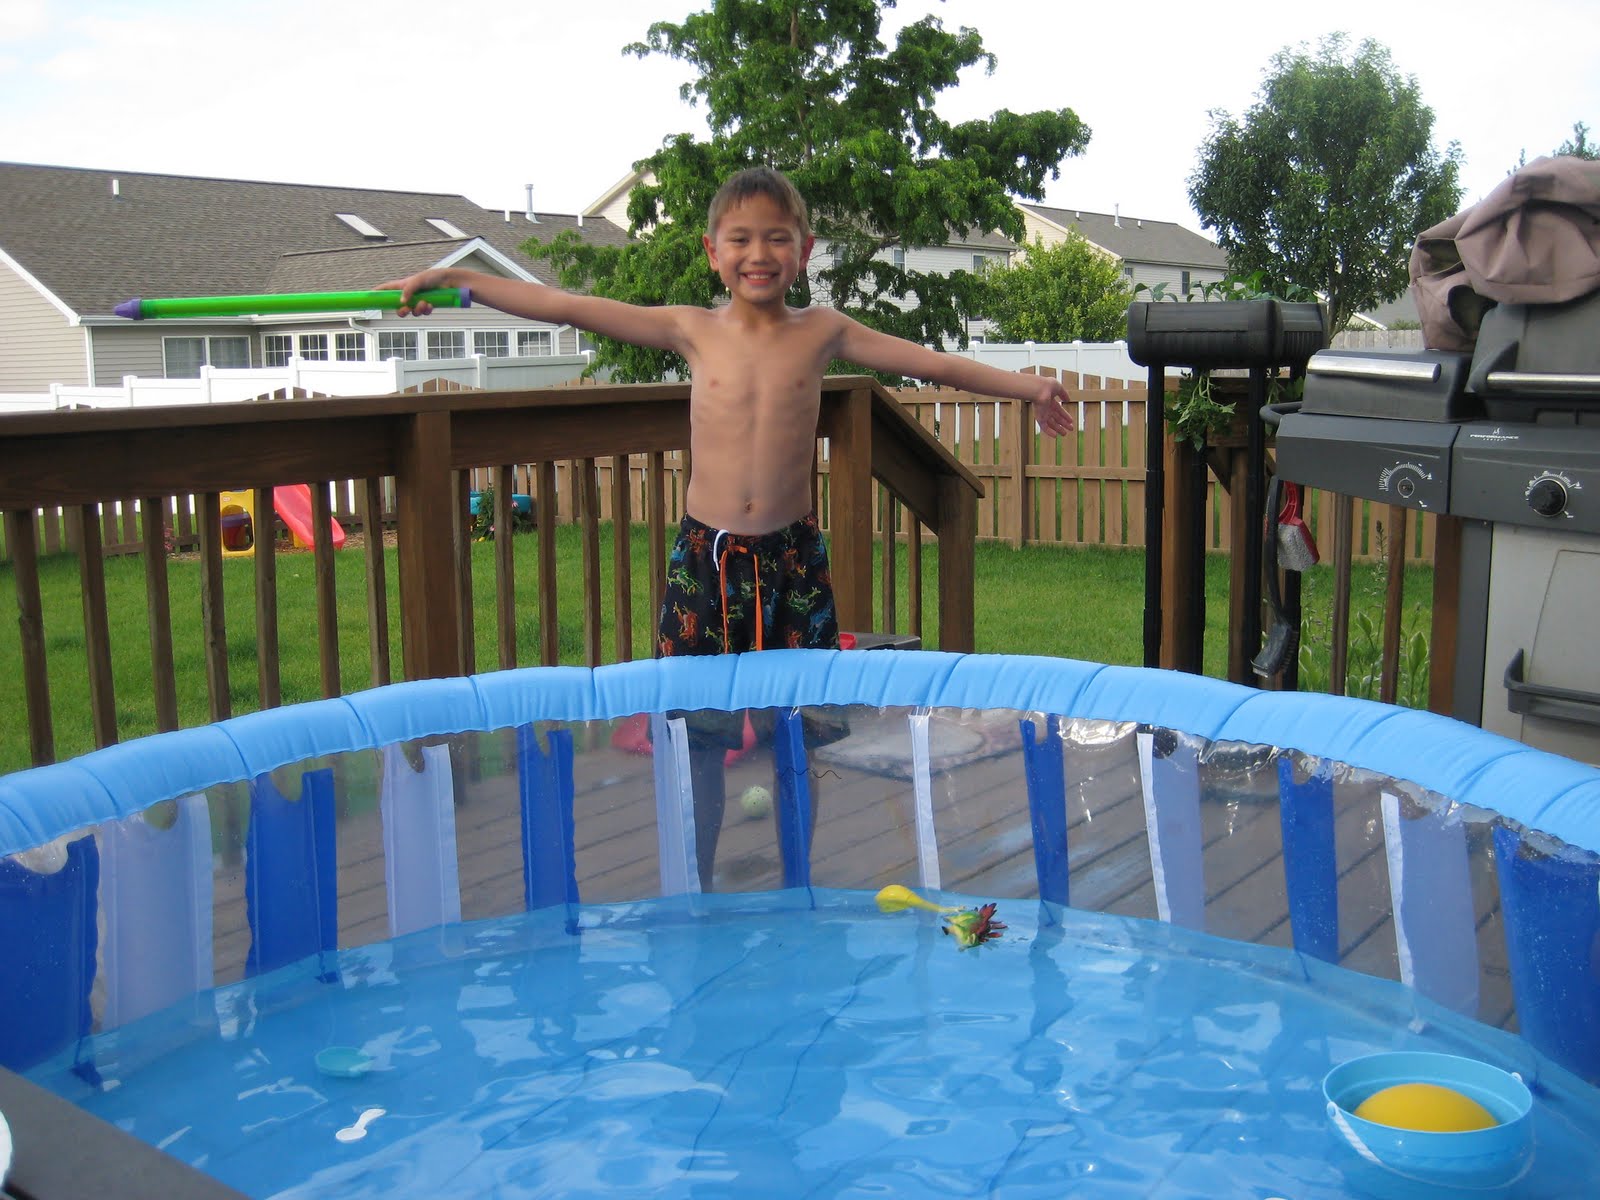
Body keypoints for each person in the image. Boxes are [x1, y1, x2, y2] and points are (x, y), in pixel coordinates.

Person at [380, 166, 1074, 888]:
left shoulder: (821, 333)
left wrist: (1028, 387)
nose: (759, 253)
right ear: (714, 251)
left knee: (793, 737)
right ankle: (701, 885)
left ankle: (795, 882)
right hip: (704, 563)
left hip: (793, 564)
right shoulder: (692, 329)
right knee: (699, 739)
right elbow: (565, 305)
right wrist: (459, 283)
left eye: (778, 238)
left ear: (804, 251)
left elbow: (929, 362)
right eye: (741, 238)